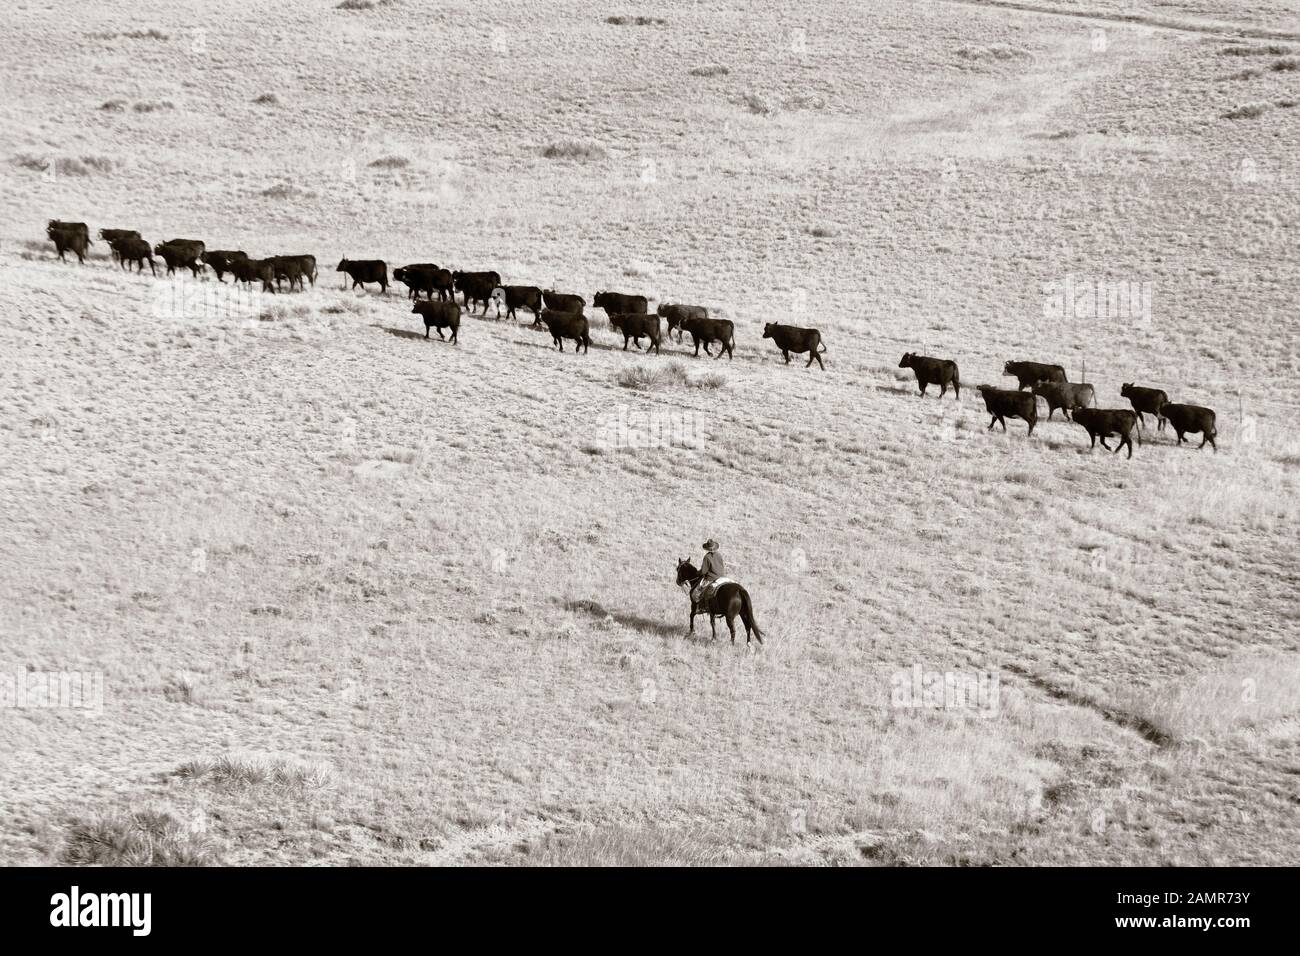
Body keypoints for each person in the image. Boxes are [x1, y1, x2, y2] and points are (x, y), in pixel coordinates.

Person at [692, 538, 726, 605]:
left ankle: (701, 606)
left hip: (712, 578)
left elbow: (704, 571)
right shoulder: (719, 555)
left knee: (698, 591)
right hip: (722, 576)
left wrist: (698, 573)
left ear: (707, 548)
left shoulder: (707, 557)